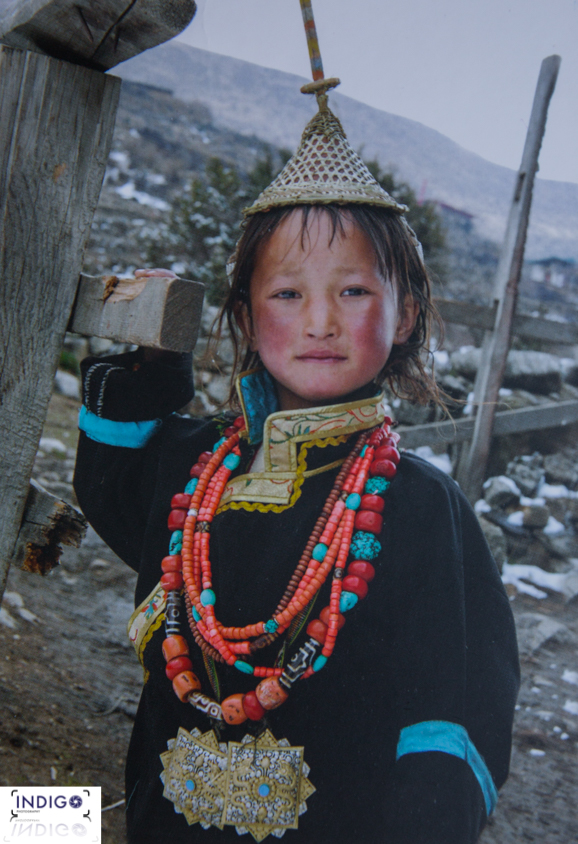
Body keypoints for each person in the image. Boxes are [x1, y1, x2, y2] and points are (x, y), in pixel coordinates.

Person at [73, 82, 519, 844]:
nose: (319, 320)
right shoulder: (194, 465)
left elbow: (454, 704)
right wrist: (152, 368)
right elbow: (113, 494)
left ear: (405, 312)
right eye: (286, 293)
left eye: (352, 290)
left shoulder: (418, 506)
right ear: (245, 315)